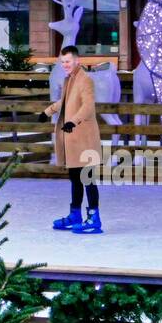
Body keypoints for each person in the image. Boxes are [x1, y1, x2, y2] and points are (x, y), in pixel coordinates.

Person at [45, 45, 105, 234]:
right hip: (72, 140)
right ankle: (75, 214)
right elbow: (65, 101)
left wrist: (73, 121)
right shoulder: (69, 80)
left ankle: (94, 218)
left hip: (84, 139)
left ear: (77, 61)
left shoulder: (85, 80)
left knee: (87, 178)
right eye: (62, 62)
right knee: (74, 178)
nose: (65, 65)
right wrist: (48, 111)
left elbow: (88, 106)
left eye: (68, 61)